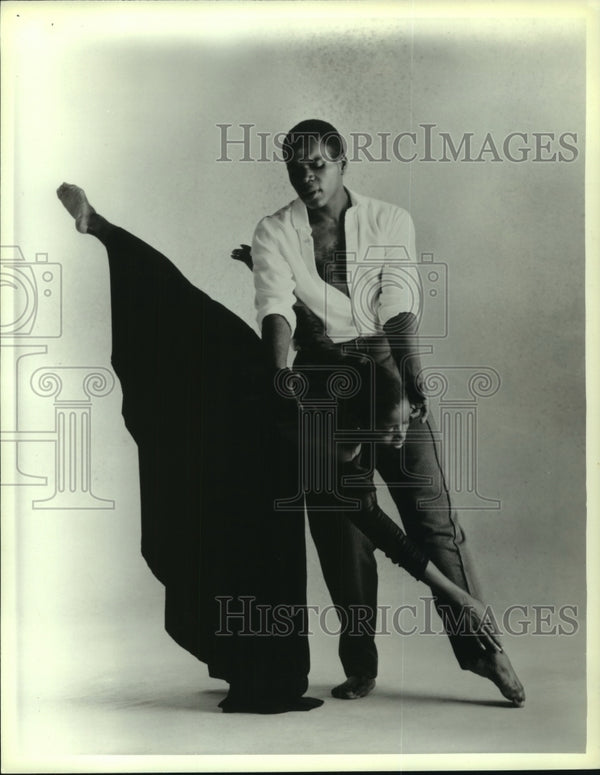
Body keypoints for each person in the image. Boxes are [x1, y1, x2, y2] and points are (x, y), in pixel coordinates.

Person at [56, 182, 519, 715]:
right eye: (389, 433)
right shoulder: (322, 451)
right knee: (177, 304)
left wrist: (460, 596)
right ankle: (103, 228)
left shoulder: (342, 422)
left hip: (272, 431)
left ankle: (476, 653)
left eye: (398, 432)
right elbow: (381, 529)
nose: (397, 439)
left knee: (413, 526)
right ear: (356, 432)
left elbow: (333, 327)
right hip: (239, 423)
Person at [247, 118, 526, 706]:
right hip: (321, 378)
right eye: (296, 167)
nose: (307, 177)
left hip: (386, 363)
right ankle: (361, 663)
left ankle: (485, 652)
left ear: (342, 161)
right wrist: (278, 376)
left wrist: (409, 376)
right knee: (341, 532)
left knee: (433, 520)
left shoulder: (388, 220)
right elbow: (274, 306)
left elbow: (397, 298)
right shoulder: (274, 230)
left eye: (318, 164)